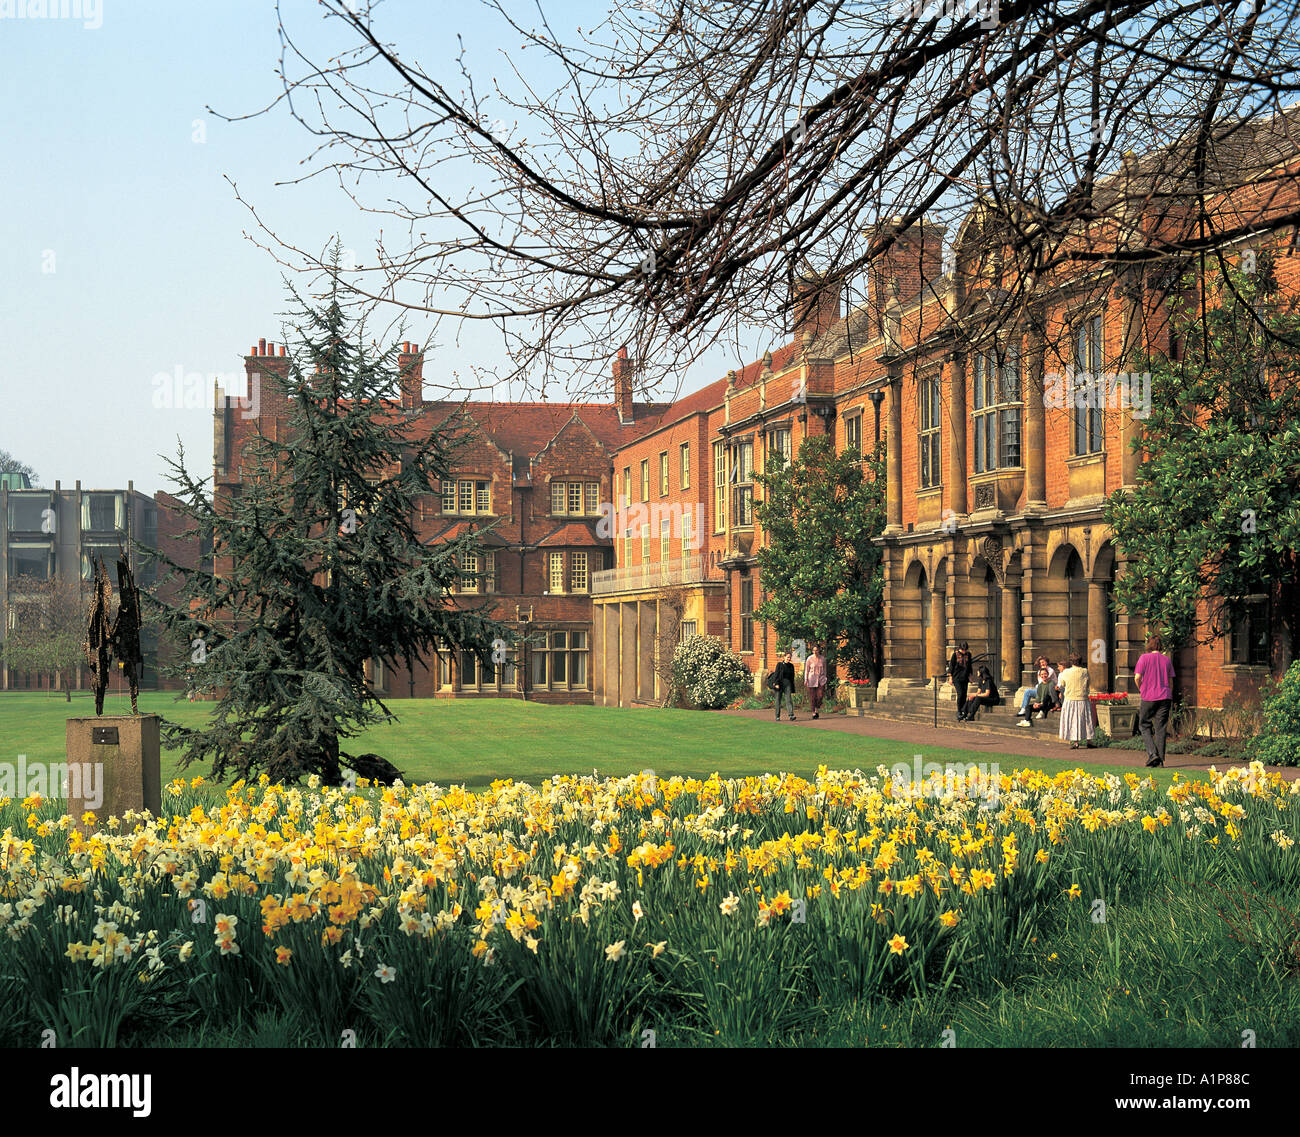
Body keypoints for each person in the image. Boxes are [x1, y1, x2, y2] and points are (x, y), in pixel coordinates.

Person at [1133, 634, 1176, 767]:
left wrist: (1141, 689)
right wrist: (1170, 694)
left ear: (1149, 645)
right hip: (1165, 696)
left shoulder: (1143, 658)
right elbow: (1170, 681)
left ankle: (1153, 754)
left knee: (1144, 725)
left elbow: (1137, 677)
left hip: (1149, 696)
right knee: (1160, 727)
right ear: (1160, 646)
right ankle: (1160, 760)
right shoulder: (1167, 660)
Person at [1057, 652, 1095, 748]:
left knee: (1073, 720)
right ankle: (1089, 741)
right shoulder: (1085, 671)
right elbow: (1088, 683)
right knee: (1086, 720)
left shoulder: (1065, 672)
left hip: (1070, 699)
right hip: (1082, 698)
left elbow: (1061, 684)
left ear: (1071, 661)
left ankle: (1076, 742)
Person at [946, 643, 972, 720]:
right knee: (960, 694)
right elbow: (951, 666)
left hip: (965, 677)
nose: (964, 651)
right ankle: (959, 711)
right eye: (962, 650)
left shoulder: (968, 654)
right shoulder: (955, 654)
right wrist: (950, 678)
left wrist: (970, 677)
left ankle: (964, 711)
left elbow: (969, 666)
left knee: (964, 694)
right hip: (957, 677)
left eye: (965, 650)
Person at [769, 651, 796, 721]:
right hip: (779, 683)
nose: (789, 659)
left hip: (787, 684)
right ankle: (777, 716)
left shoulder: (791, 666)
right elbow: (776, 675)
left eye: (790, 657)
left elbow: (792, 677)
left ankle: (791, 715)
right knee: (778, 700)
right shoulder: (779, 664)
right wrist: (776, 683)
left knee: (789, 699)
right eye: (787, 657)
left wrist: (792, 687)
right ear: (784, 657)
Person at [803, 644, 827, 720]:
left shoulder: (822, 659)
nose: (815, 652)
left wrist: (825, 677)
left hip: (821, 679)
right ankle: (814, 712)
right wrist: (806, 679)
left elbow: (825, 669)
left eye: (816, 650)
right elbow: (806, 670)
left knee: (820, 695)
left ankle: (817, 707)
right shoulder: (809, 659)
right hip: (812, 679)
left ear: (819, 650)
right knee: (813, 697)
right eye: (814, 650)